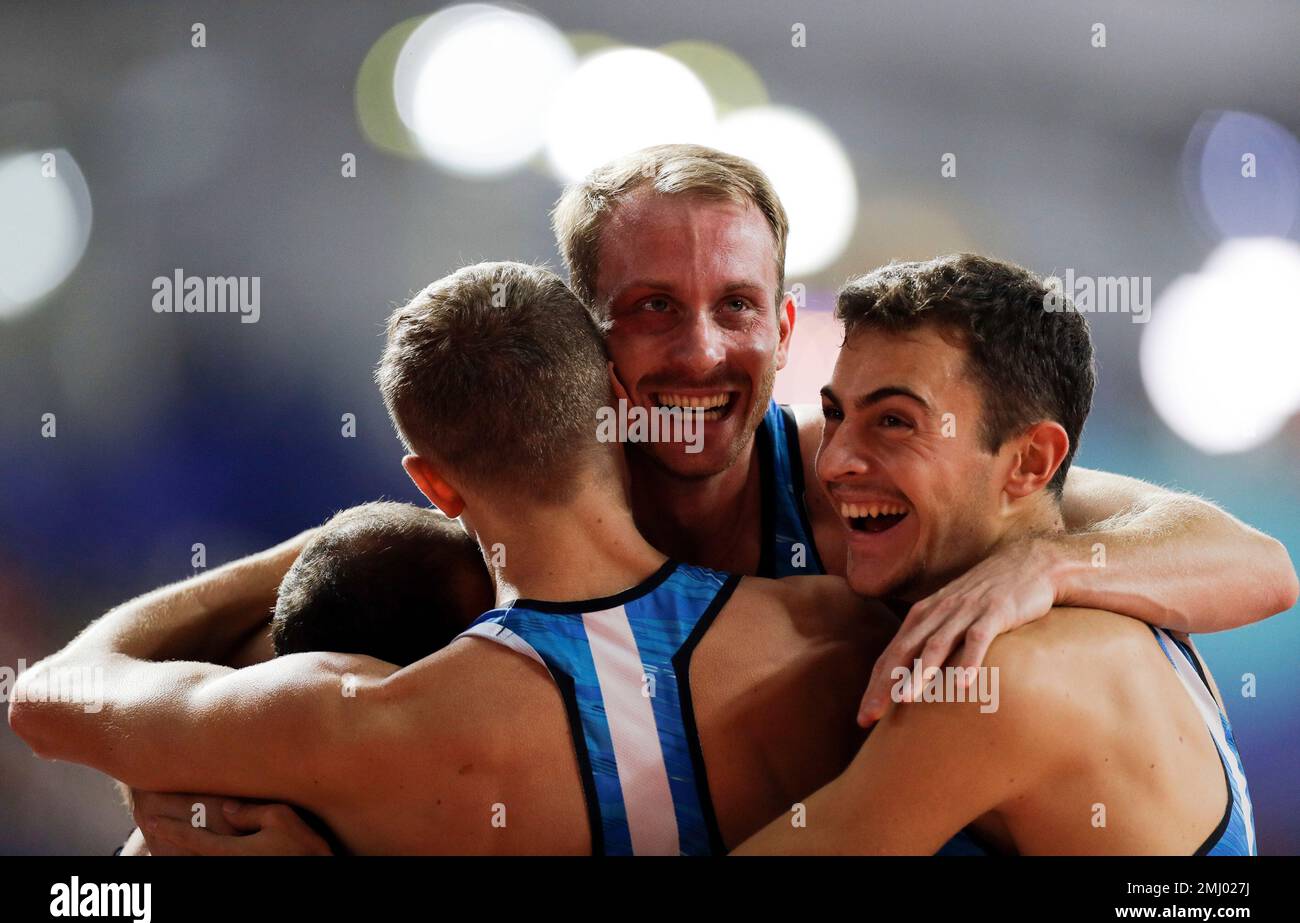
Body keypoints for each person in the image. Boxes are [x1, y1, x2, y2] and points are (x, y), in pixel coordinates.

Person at [12, 262, 899, 855]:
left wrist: (304, 547)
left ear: (431, 483)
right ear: (619, 401)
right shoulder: (836, 632)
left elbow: (49, 698)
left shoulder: (374, 721)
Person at [735, 255, 1256, 855]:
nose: (832, 463)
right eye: (835, 415)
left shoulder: (1000, 676)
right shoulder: (1143, 616)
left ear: (1031, 462)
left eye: (896, 422)